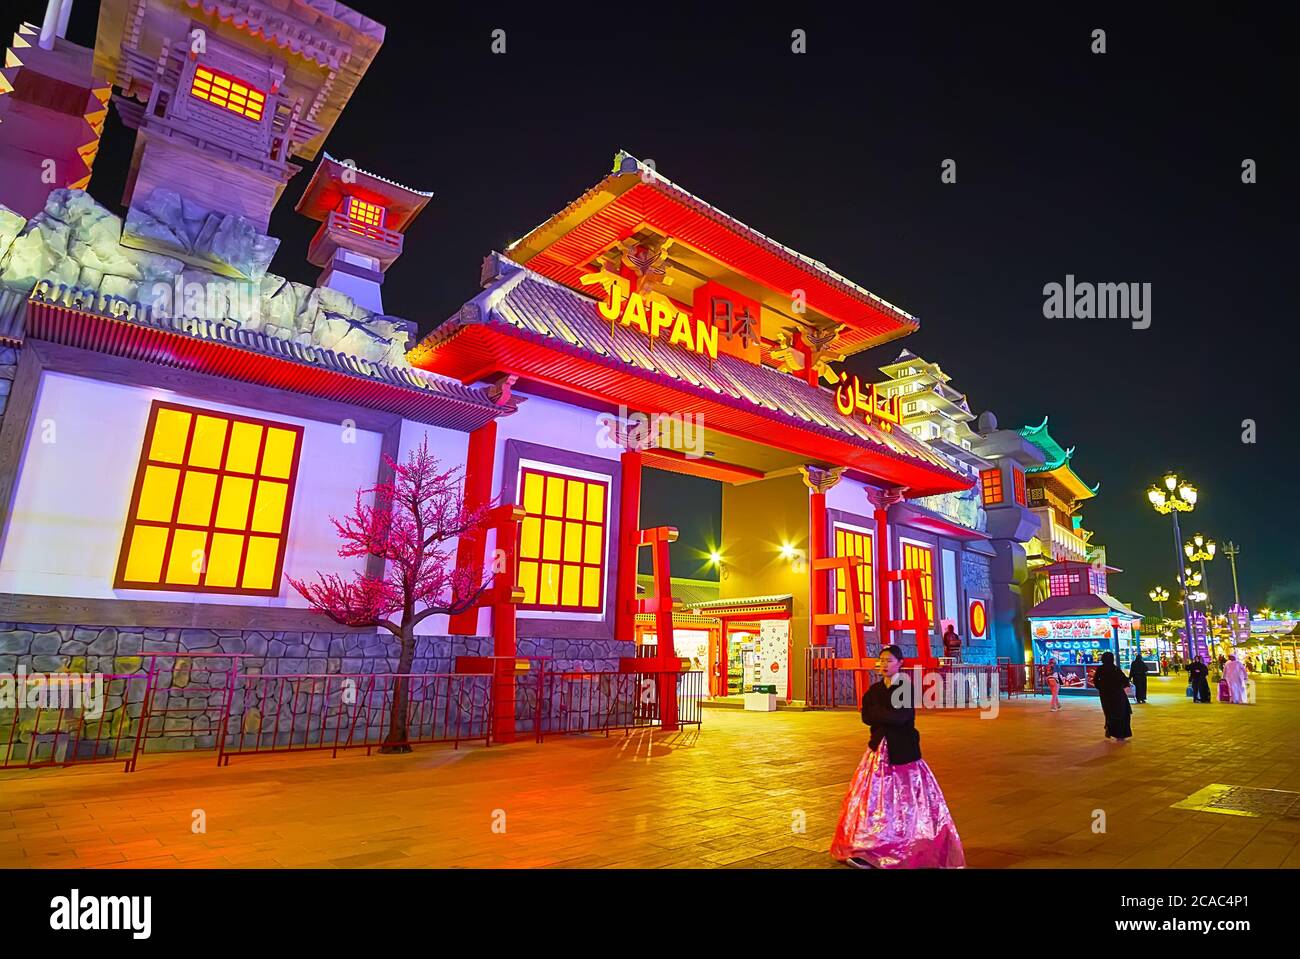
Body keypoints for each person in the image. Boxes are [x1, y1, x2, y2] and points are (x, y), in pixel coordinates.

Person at [831, 645, 966, 869]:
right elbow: (866, 716)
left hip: (903, 754)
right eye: (882, 660)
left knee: (906, 802)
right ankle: (869, 847)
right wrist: (885, 715)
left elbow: (901, 717)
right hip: (877, 753)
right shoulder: (874, 690)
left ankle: (907, 845)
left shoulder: (906, 687)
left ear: (900, 663)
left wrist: (879, 715)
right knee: (872, 802)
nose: (884, 664)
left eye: (890, 661)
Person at [1091, 651, 1133, 740]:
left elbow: (1095, 681)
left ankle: (1110, 729)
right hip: (1117, 694)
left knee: (1109, 713)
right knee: (1121, 713)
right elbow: (1124, 680)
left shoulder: (1100, 669)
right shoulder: (1115, 669)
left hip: (1105, 695)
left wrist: (1101, 688)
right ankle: (1120, 734)